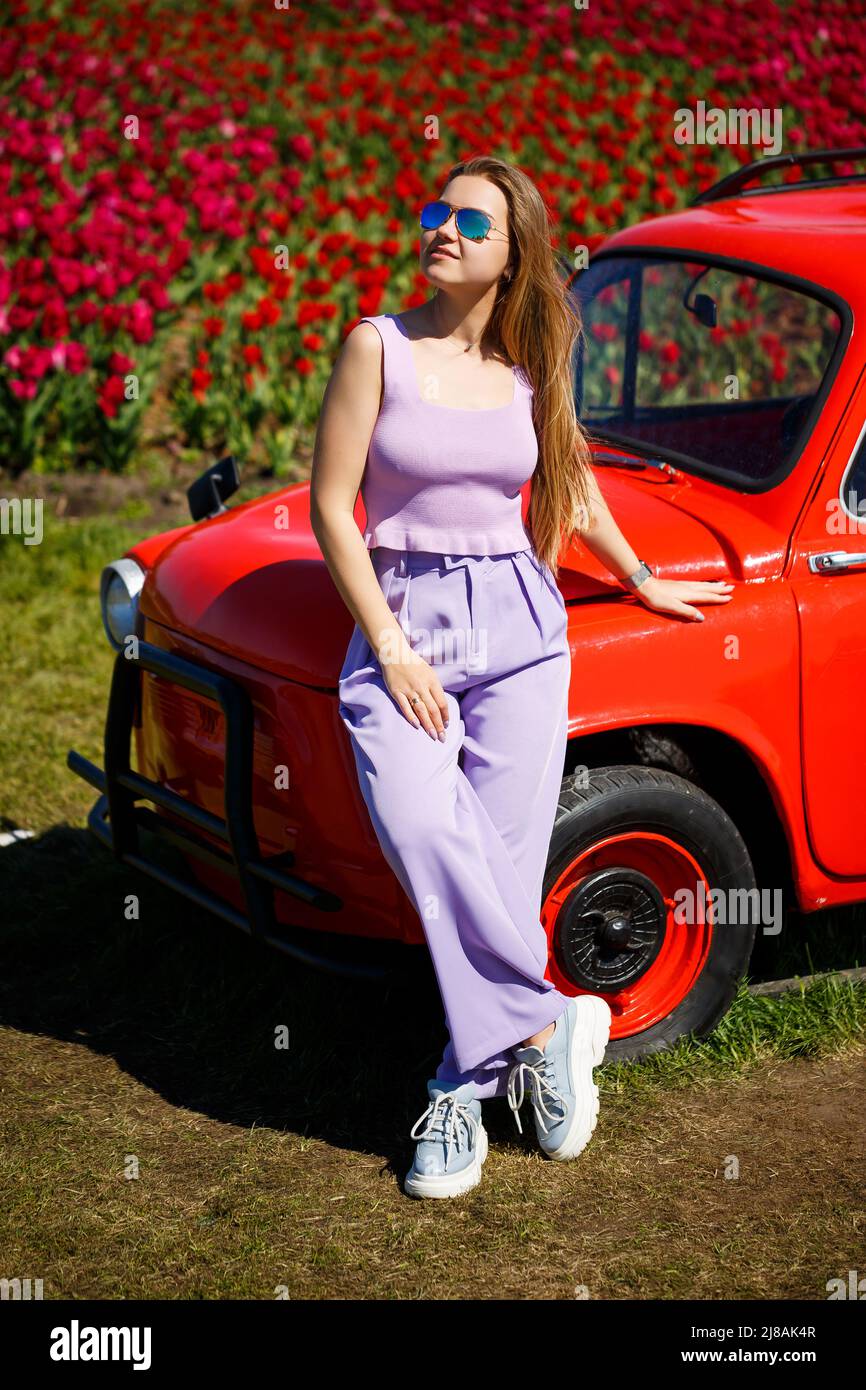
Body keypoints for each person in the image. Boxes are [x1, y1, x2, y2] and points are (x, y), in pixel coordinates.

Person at [309, 154, 734, 1200]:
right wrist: (392, 646)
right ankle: (548, 1022)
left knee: (497, 875)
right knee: (418, 825)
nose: (441, 228)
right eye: (435, 210)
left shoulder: (531, 356)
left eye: (470, 221)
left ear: (512, 253)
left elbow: (571, 476)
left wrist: (639, 579)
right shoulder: (377, 348)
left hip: (519, 631)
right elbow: (331, 507)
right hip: (403, 628)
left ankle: (458, 1084)